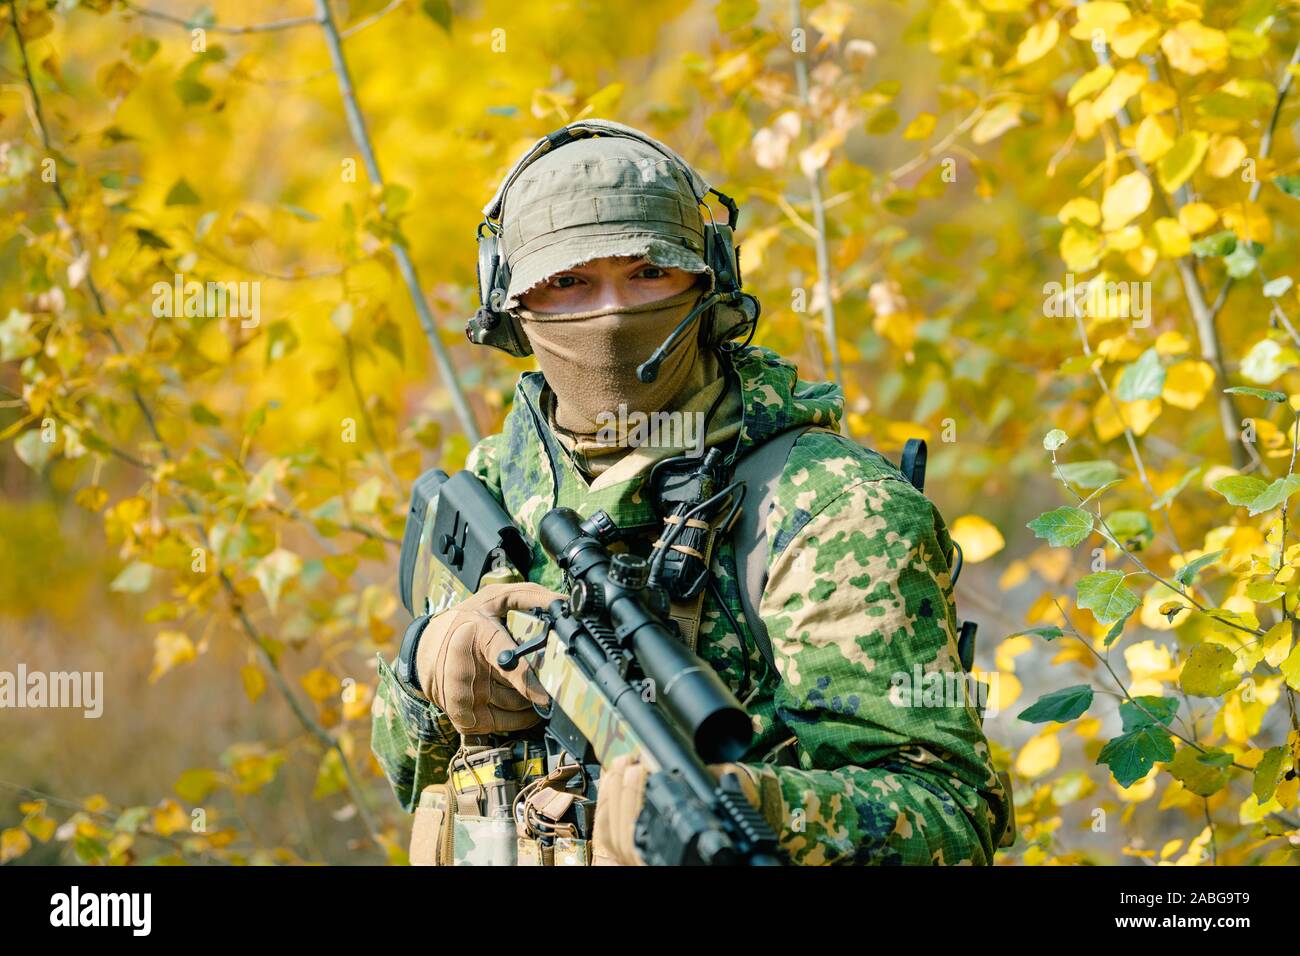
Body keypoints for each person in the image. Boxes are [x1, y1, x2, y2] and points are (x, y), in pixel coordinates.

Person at [371, 120, 1011, 865]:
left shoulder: (830, 507)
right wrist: (428, 668)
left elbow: (950, 821)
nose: (610, 314)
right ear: (510, 302)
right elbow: (408, 775)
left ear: (709, 279)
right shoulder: (496, 483)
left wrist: (747, 806)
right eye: (569, 281)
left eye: (647, 273)